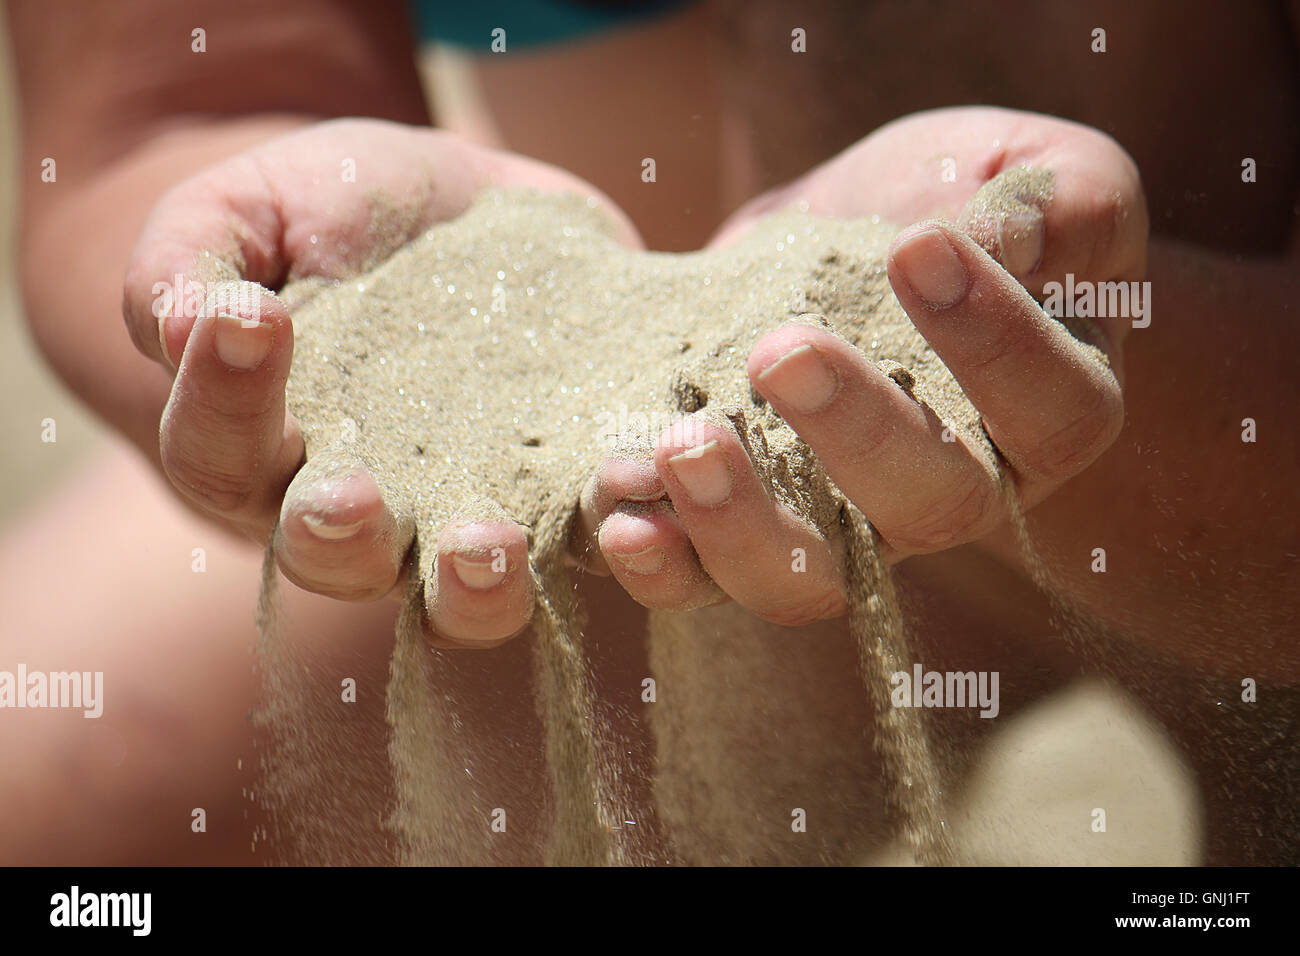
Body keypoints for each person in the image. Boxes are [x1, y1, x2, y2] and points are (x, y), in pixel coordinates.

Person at [2, 0, 1295, 864]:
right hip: (583, 502)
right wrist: (251, 298)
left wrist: (1010, 340)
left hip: (1184, 395)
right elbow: (187, 96)